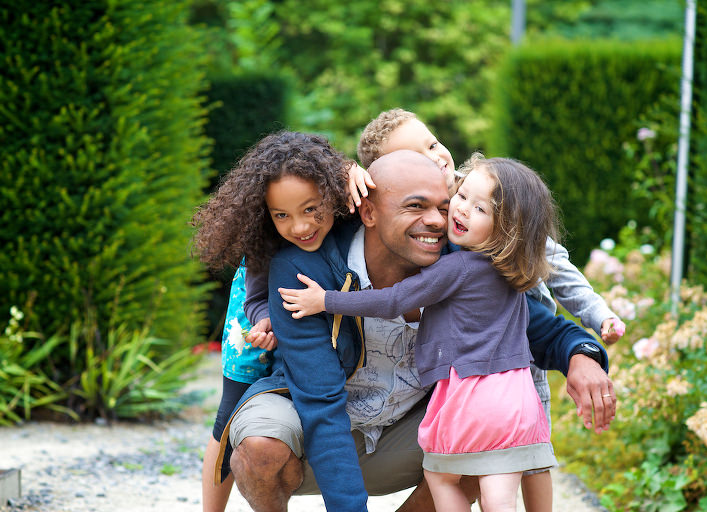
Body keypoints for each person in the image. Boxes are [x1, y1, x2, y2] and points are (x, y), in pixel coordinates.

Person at [214, 150, 616, 512]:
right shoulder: (304, 270)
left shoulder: (460, 260)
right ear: (368, 213)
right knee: (258, 447)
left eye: (444, 206)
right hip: (319, 425)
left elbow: (540, 327)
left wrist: (583, 355)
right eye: (415, 206)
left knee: (489, 438)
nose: (437, 221)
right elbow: (321, 406)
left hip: (409, 429)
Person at [351, 108, 626, 512]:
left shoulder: (477, 194)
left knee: (530, 459)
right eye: (417, 157)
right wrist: (342, 171)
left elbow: (554, 271)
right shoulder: (442, 220)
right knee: (471, 462)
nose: (437, 158)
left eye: (432, 143)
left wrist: (592, 326)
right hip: (473, 365)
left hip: (519, 344)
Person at [279, 155, 564, 511]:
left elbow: (394, 299)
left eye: (479, 209)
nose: (459, 211)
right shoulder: (513, 271)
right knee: (497, 493)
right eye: (461, 197)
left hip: (472, 396)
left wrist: (326, 300)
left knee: (441, 474)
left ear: (506, 228)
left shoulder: (457, 267)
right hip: (518, 396)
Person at [191, 130, 354, 512]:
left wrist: (352, 170)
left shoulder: (343, 218)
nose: (300, 227)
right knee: (229, 412)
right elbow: (256, 299)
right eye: (282, 215)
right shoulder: (264, 241)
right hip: (249, 314)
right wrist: (265, 323)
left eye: (312, 209)